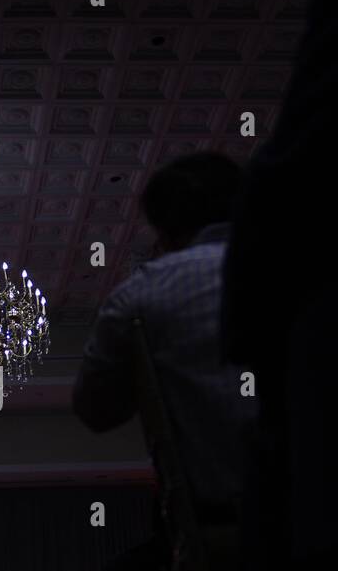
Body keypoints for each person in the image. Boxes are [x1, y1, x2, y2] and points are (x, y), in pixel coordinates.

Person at [73, 153, 256, 521]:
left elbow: (95, 411)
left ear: (165, 232)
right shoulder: (317, 262)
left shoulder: (142, 293)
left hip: (230, 527)